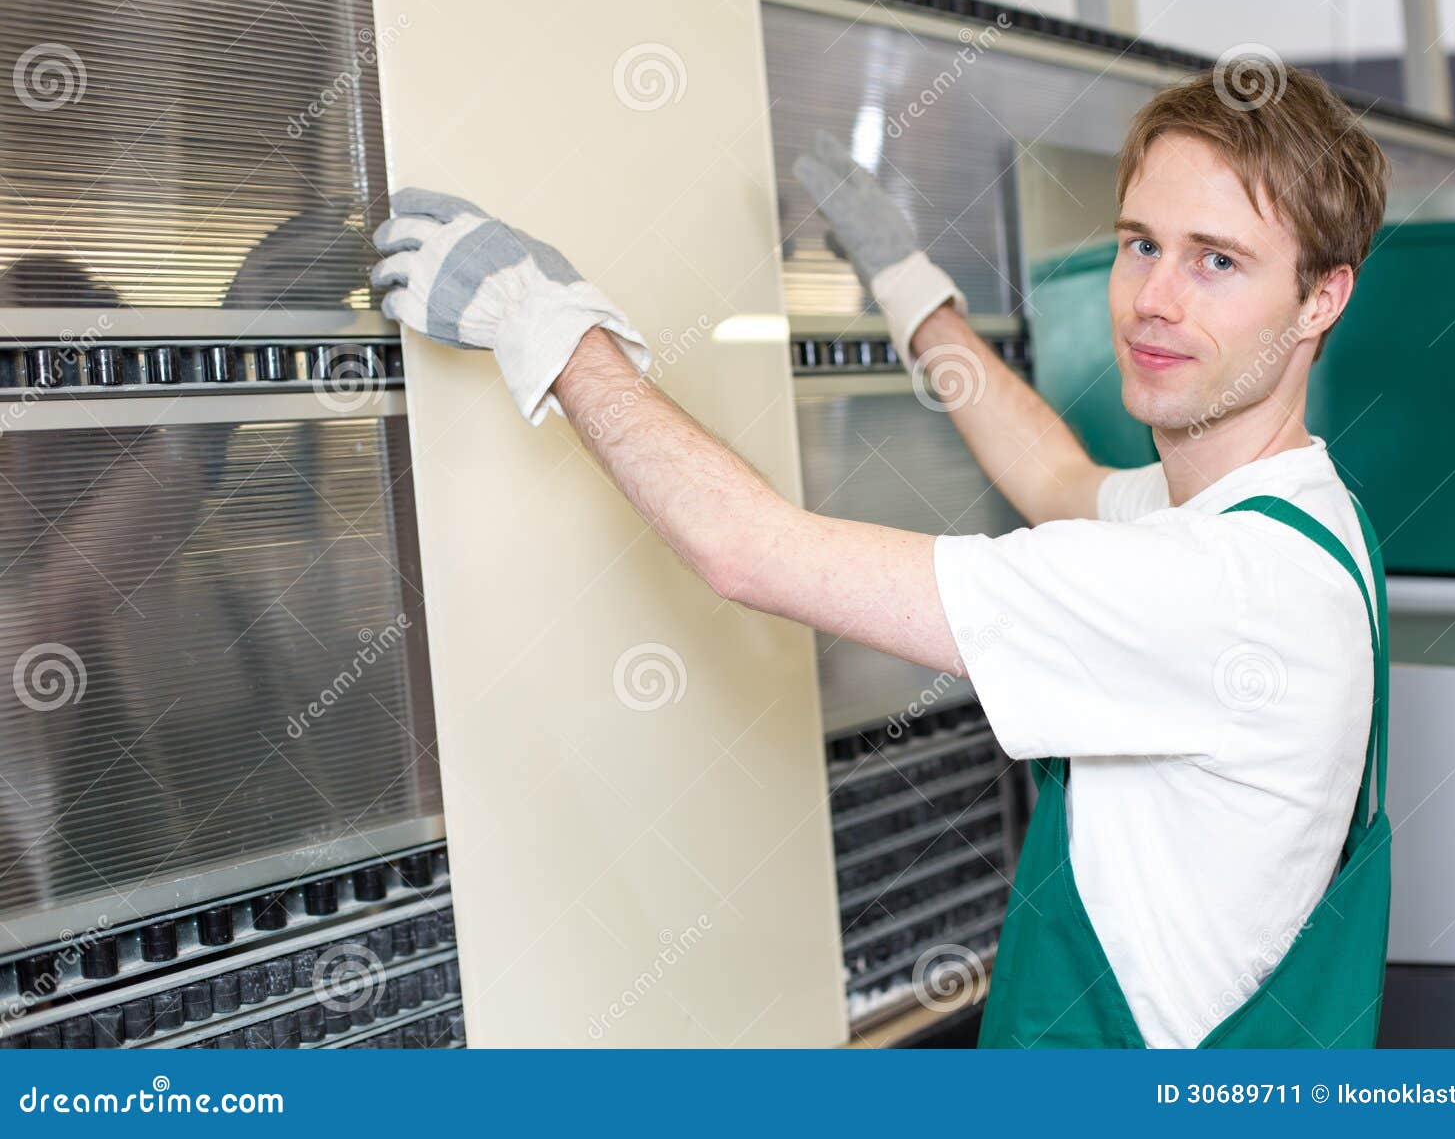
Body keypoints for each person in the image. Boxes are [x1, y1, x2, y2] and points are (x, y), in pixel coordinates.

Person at [369, 62, 1392, 1049]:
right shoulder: (1292, 520)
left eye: (1216, 260)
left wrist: (548, 327)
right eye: (1139, 244)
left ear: (1320, 299)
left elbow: (749, 553)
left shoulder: (1218, 588)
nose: (1154, 299)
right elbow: (1055, 481)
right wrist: (908, 287)